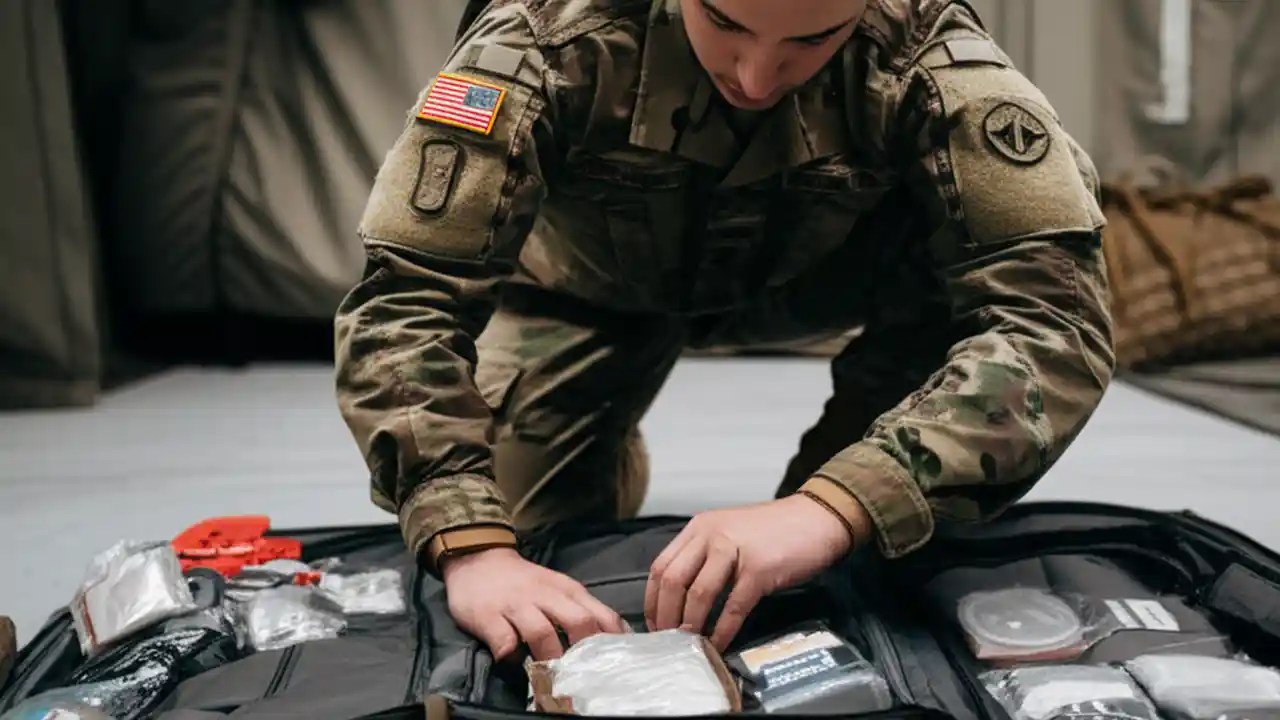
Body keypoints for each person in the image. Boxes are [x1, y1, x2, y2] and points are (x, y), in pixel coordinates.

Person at [333, 0, 1115, 662]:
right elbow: (404, 301)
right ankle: (592, 438)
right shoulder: (543, 38)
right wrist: (470, 546)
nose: (757, 77)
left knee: (863, 566)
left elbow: (1054, 322)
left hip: (815, 286)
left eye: (813, 38)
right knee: (525, 555)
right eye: (727, 23)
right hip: (593, 290)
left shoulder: (932, 55)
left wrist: (836, 508)